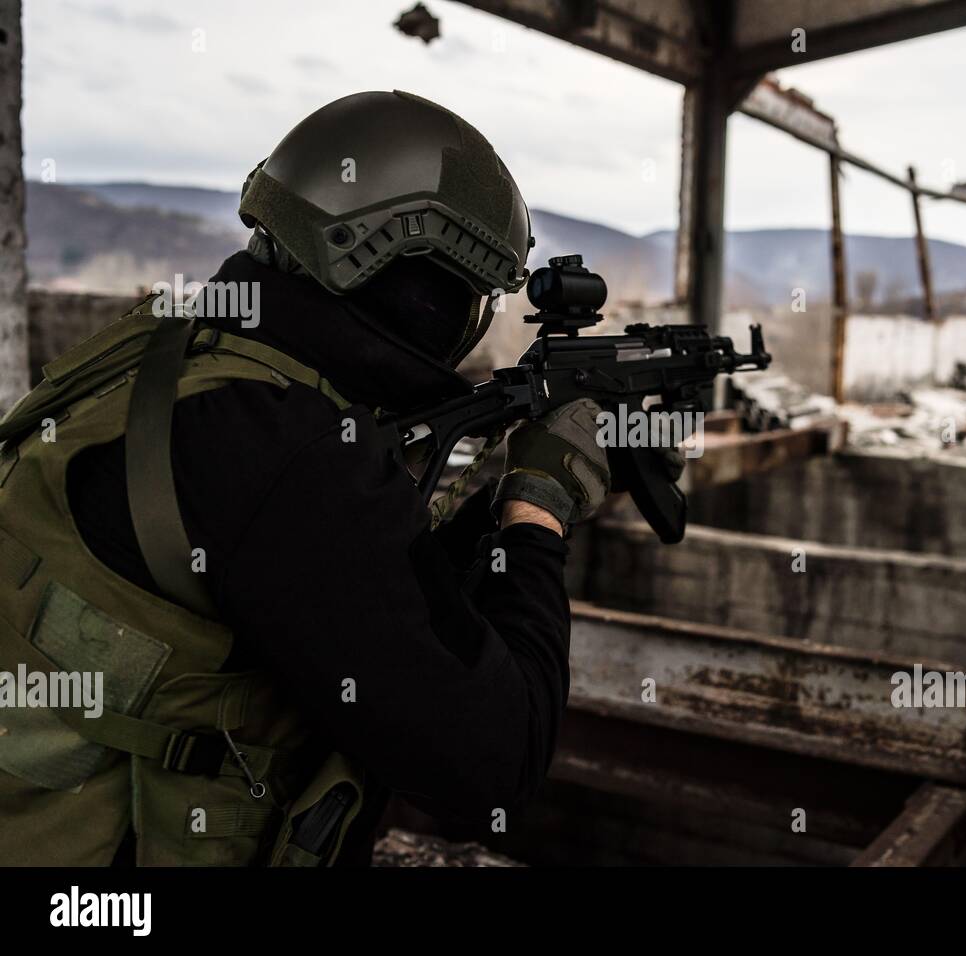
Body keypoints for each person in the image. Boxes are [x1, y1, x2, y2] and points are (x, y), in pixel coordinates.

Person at [0, 90, 610, 866]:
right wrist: (537, 512)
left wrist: (485, 512)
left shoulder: (172, 353)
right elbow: (490, 770)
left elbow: (365, 596)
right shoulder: (289, 448)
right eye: (472, 294)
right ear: (404, 266)